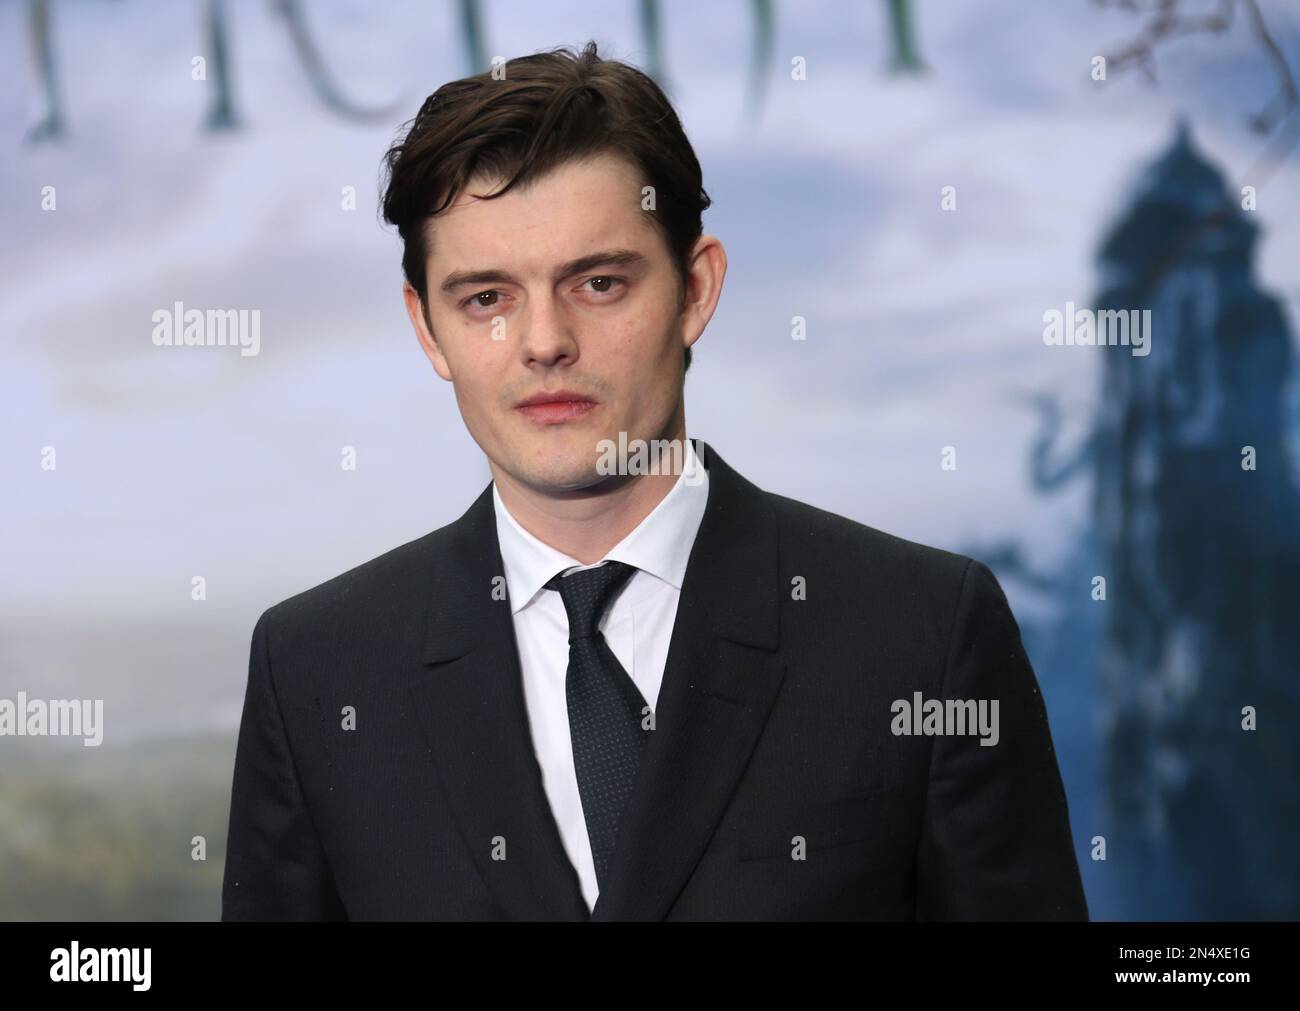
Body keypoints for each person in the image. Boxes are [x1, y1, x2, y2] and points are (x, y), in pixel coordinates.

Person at [221, 41, 1088, 921]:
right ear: (428, 328)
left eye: (597, 282)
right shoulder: (319, 672)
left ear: (694, 290)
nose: (544, 340)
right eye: (486, 297)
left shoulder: (921, 636)